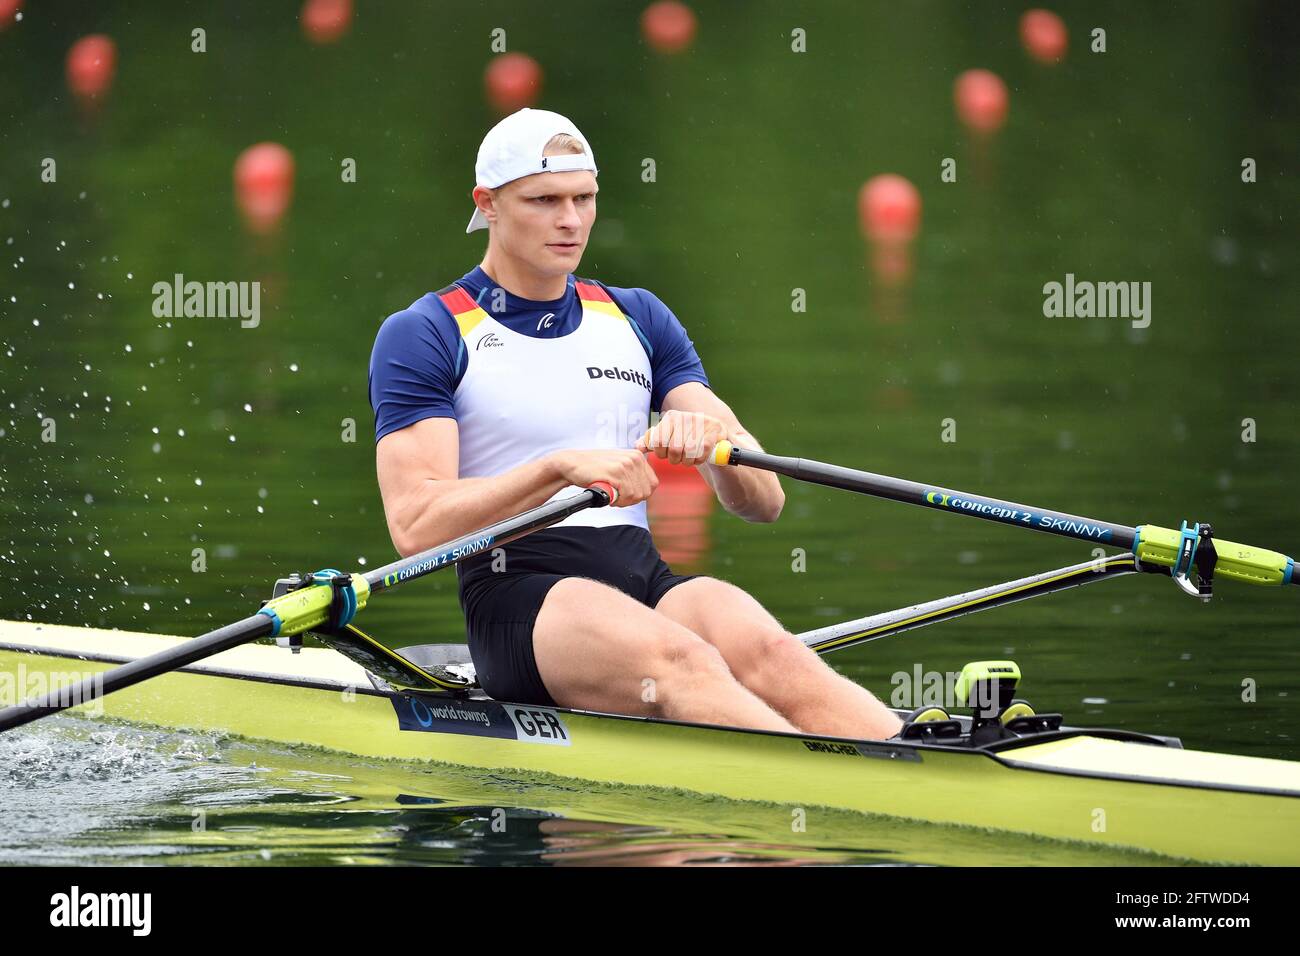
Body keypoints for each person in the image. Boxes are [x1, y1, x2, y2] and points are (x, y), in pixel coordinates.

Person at [369, 108, 901, 739]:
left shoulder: (638, 317)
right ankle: (810, 798)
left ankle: (917, 767)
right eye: (544, 200)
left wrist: (715, 447)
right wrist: (557, 469)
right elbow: (415, 525)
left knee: (776, 655)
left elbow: (766, 503)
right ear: (487, 203)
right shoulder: (426, 332)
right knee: (688, 662)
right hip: (523, 600)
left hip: (646, 581)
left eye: (584, 198)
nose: (570, 220)